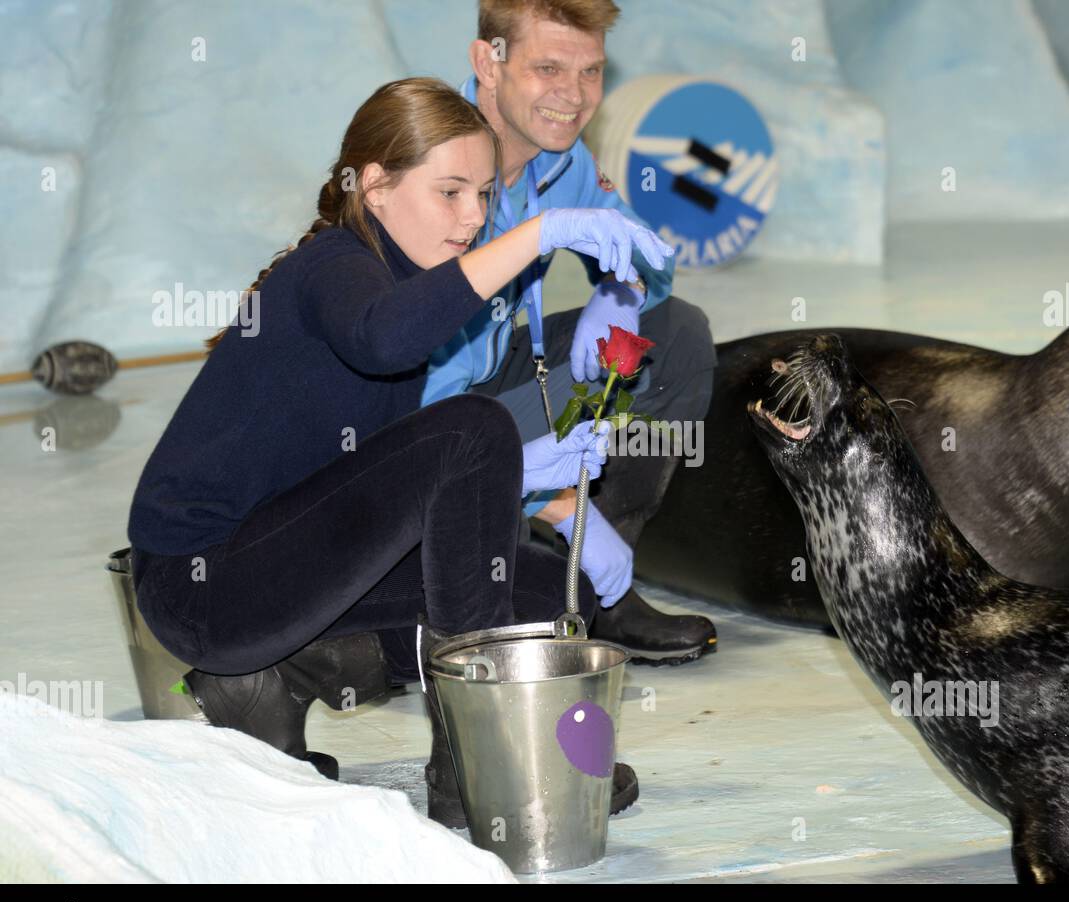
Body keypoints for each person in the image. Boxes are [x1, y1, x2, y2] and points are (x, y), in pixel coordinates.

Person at [126, 77, 672, 822]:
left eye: (483, 195)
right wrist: (539, 236)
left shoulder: (395, 283)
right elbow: (386, 337)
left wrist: (527, 474)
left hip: (279, 573)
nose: (474, 216)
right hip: (205, 589)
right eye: (450, 192)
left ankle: (270, 680)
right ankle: (479, 764)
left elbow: (381, 483)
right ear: (375, 186)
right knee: (472, 427)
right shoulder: (334, 266)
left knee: (534, 591)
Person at [415, 0, 719, 665]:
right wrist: (553, 498)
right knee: (480, 439)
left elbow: (647, 253)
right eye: (547, 67)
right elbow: (403, 393)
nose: (573, 96)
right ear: (485, 62)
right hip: (416, 419)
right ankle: (525, 550)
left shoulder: (563, 162)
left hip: (495, 371)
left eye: (591, 71)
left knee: (677, 337)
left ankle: (601, 578)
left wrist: (622, 291)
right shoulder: (429, 157)